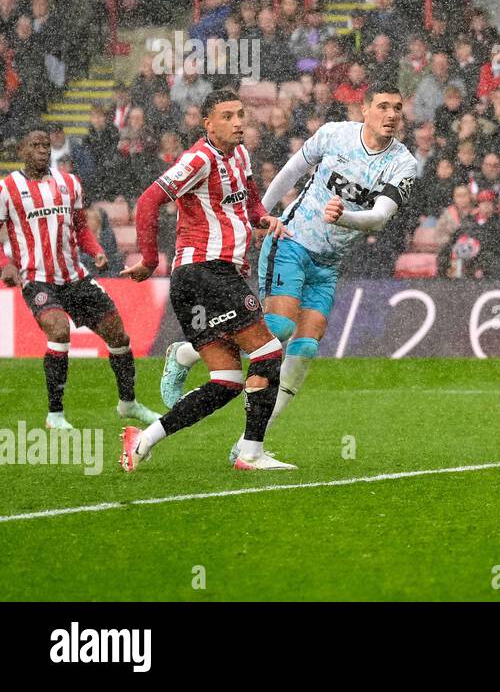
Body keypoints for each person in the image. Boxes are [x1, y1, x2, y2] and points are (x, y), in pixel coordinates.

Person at [156, 84, 419, 467]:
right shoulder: (334, 134)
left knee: (305, 348)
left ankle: (249, 442)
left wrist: (343, 217)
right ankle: (186, 352)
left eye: (397, 108)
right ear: (364, 109)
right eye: (382, 106)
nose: (391, 115)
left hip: (328, 264)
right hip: (292, 243)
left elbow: (379, 216)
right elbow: (293, 169)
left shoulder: (403, 163)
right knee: (277, 329)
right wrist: (259, 215)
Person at [120, 90, 288, 471]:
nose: (238, 122)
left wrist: (264, 220)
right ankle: (250, 453)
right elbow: (148, 201)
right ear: (208, 124)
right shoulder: (199, 159)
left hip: (207, 277)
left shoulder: (240, 155)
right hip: (204, 271)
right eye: (227, 116)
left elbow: (251, 204)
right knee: (268, 353)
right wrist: (149, 260)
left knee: (227, 381)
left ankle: (143, 439)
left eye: (240, 114)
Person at [0, 128, 160, 430]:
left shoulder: (70, 183)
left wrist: (96, 250)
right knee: (59, 331)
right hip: (37, 278)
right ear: (21, 150)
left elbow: (80, 227)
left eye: (46, 145)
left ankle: (128, 403)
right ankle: (55, 414)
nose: (42, 150)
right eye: (35, 145)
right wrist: (5, 264)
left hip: (75, 277)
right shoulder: (7, 188)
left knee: (119, 335)